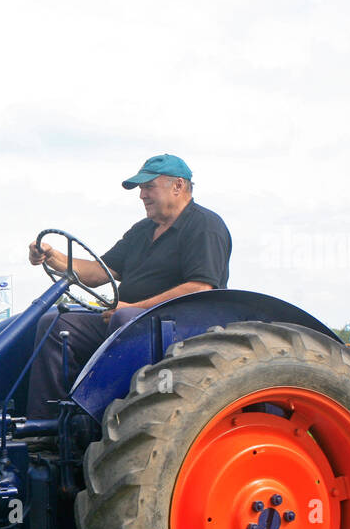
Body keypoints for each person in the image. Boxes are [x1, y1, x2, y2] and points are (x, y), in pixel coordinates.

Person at [25, 154, 231, 418]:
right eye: (141, 189)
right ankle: (45, 422)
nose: (142, 195)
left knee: (124, 316)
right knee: (54, 323)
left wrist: (135, 307)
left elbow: (200, 288)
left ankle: (106, 416)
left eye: (148, 187)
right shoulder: (143, 230)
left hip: (178, 328)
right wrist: (53, 257)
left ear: (178, 186)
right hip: (128, 319)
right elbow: (100, 272)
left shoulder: (205, 225)